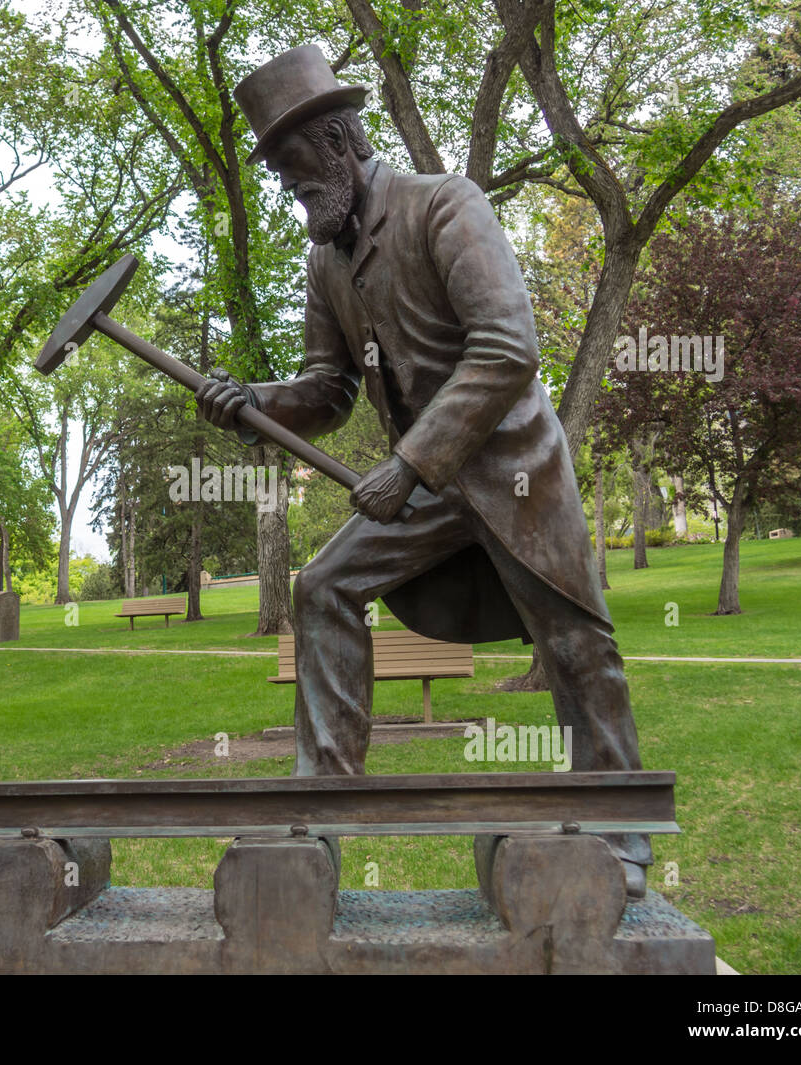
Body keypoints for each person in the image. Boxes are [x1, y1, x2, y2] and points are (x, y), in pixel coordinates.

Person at [195, 45, 652, 898]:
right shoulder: (327, 260)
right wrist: (255, 402)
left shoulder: (446, 204)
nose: (297, 200)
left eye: (298, 178)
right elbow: (328, 388)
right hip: (430, 487)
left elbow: (509, 346)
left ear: (336, 141)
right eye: (286, 187)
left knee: (578, 645)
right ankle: (321, 812)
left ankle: (621, 834)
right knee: (324, 585)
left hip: (513, 472)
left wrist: (407, 464)